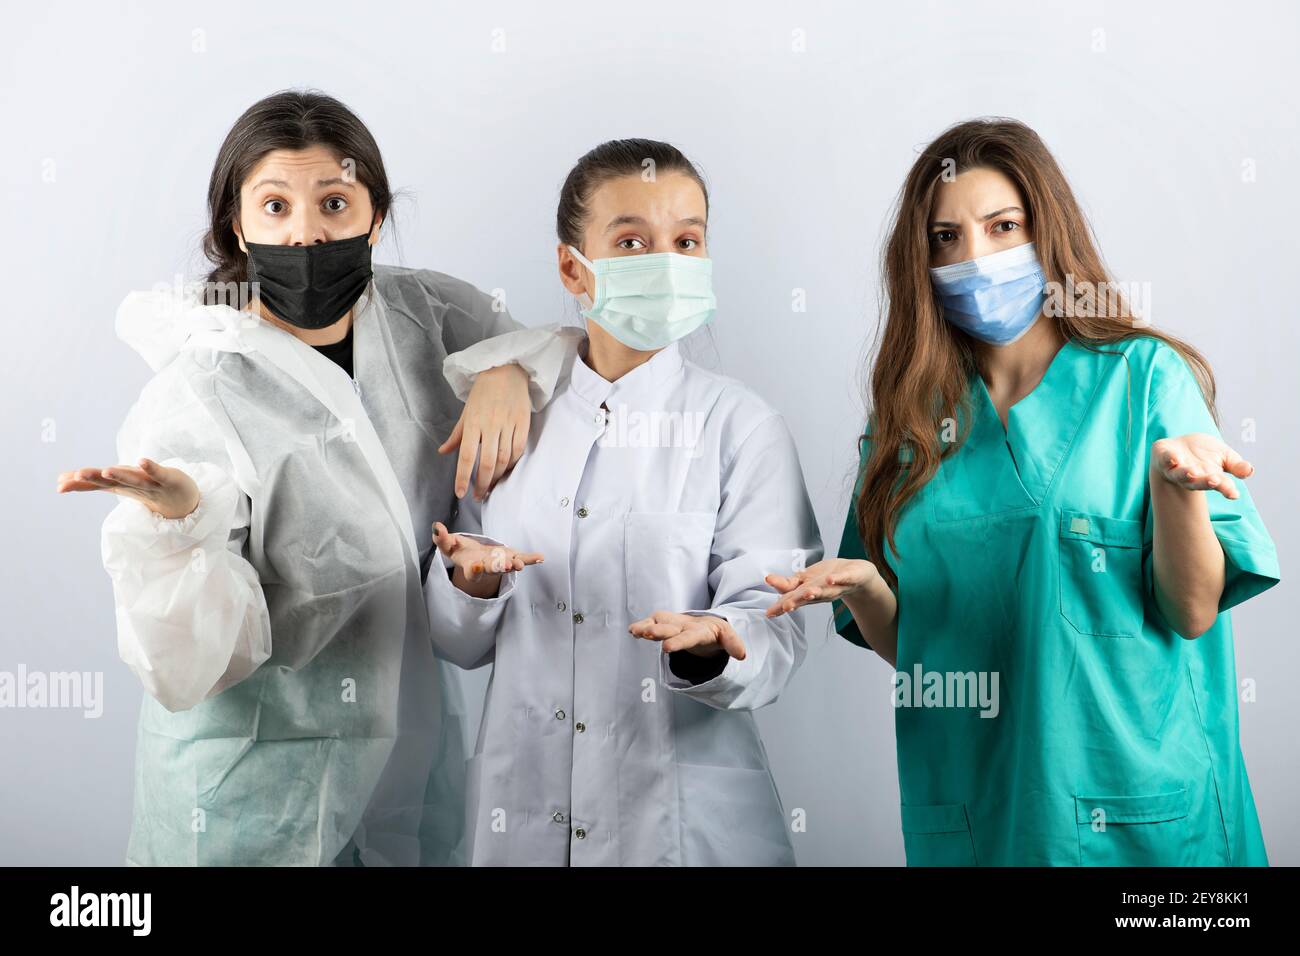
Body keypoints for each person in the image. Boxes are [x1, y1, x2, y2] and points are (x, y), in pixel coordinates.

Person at [56, 90, 576, 866]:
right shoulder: (201, 384)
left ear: (374, 212)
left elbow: (569, 363)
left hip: (410, 749)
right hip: (250, 782)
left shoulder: (429, 317)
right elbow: (184, 663)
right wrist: (184, 522)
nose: (307, 232)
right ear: (237, 224)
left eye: (334, 202)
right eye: (275, 206)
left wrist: (507, 370)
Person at [769, 118, 1280, 866]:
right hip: (980, 811)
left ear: (1048, 235)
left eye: (1002, 227)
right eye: (945, 238)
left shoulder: (1142, 380)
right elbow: (924, 654)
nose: (973, 257)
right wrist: (868, 589)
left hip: (1141, 814)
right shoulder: (909, 419)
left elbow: (1193, 610)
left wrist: (1175, 492)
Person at [423, 138, 824, 865]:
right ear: (573, 266)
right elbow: (457, 642)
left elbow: (777, 625)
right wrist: (469, 582)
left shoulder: (741, 426)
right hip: (526, 811)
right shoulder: (513, 420)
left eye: (687, 240)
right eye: (632, 240)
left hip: (682, 826)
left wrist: (715, 643)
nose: (664, 260)